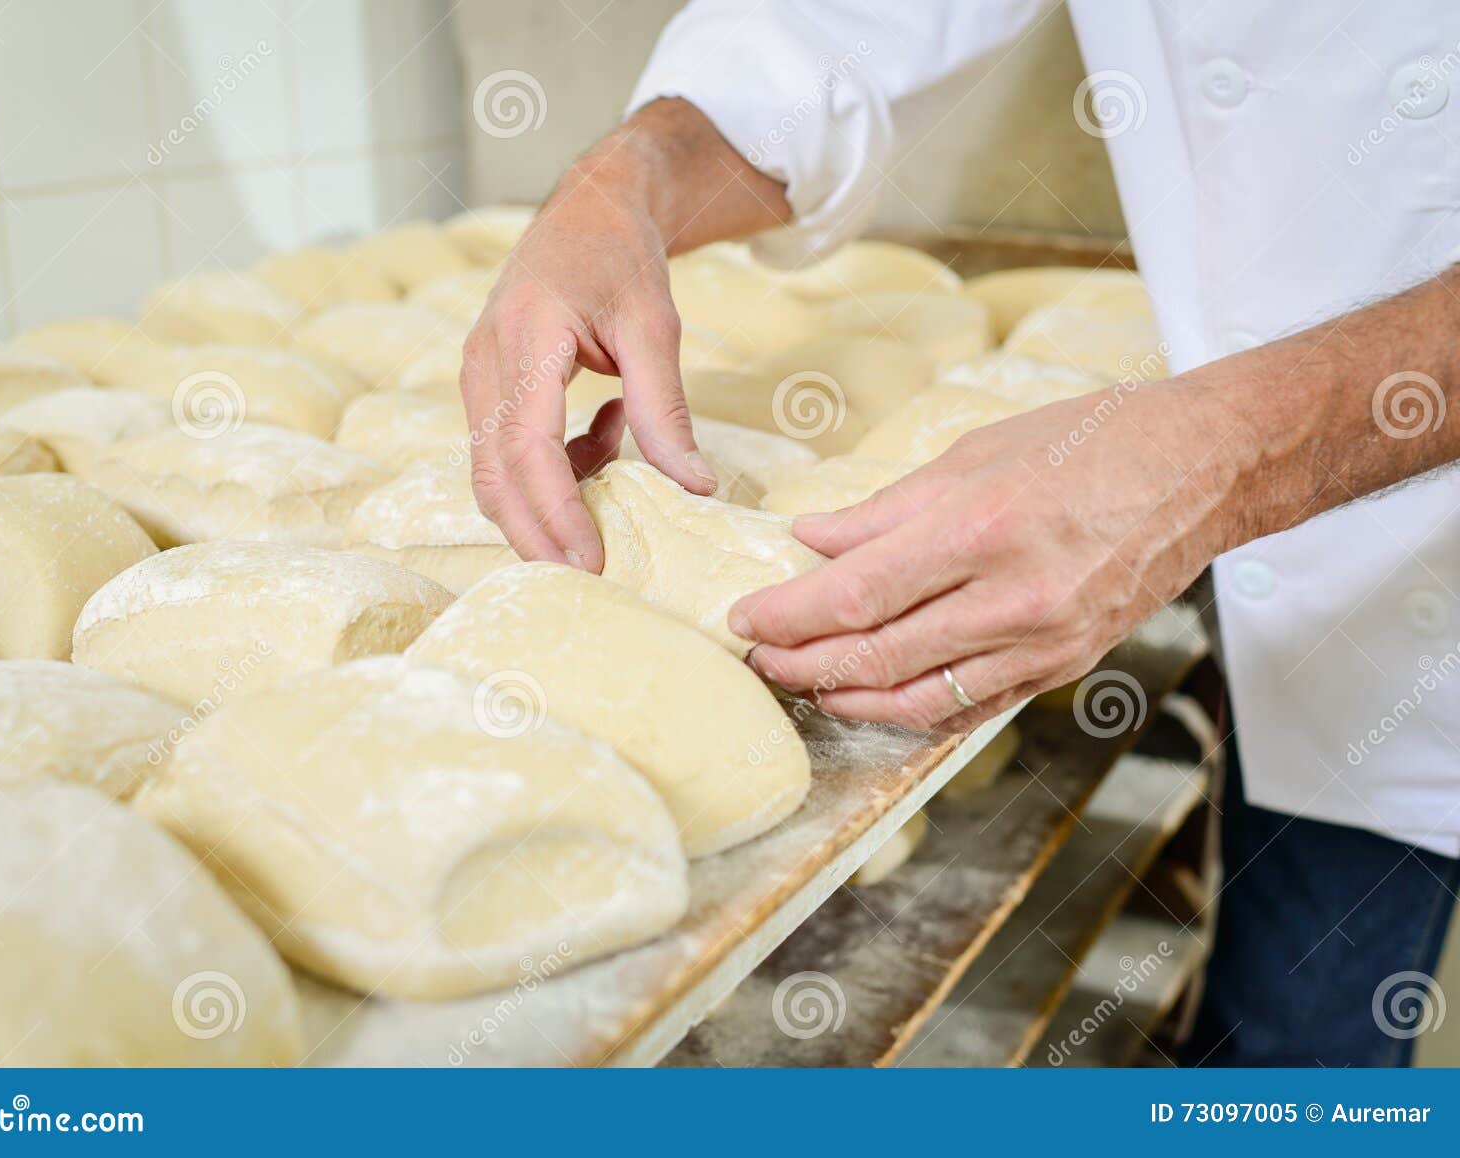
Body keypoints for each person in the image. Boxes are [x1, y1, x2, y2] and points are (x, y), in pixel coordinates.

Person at [457, 0, 1460, 1065]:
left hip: (1414, 557)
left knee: (1317, 1053)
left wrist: (1227, 455)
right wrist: (625, 180)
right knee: (1277, 1048)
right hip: (1303, 610)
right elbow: (835, 25)